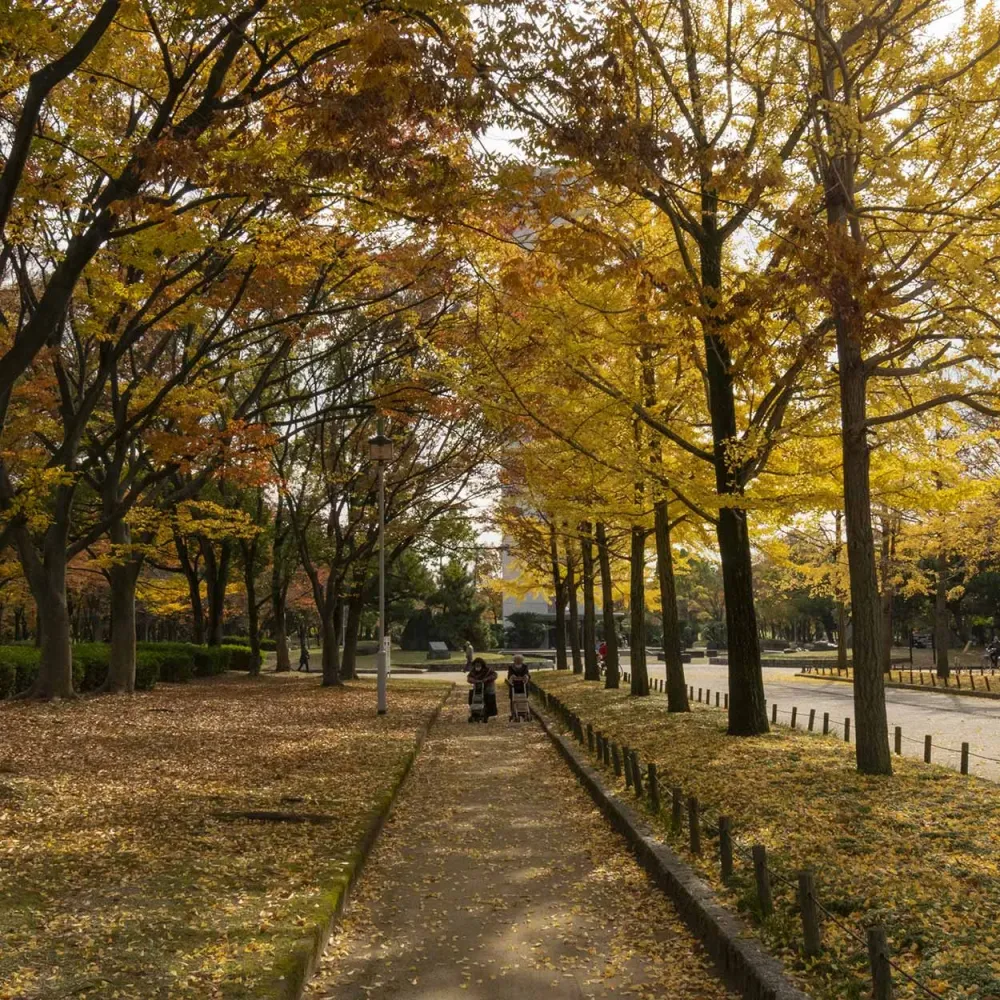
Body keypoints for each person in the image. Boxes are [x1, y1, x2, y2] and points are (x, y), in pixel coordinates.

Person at [467, 657, 498, 722]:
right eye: (476, 665)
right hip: (478, 688)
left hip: (488, 688)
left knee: (488, 698)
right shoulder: (473, 671)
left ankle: (487, 713)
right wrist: (474, 680)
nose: (477, 667)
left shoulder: (488, 670)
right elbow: (469, 678)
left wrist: (487, 679)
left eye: (479, 665)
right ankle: (474, 712)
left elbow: (495, 675)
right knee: (472, 697)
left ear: (482, 665)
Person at [506, 653, 530, 719]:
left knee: (523, 698)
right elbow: (509, 675)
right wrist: (512, 677)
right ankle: (513, 712)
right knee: (513, 699)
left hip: (523, 685)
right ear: (514, 661)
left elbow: (527, 674)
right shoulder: (511, 667)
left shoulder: (525, 666)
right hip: (514, 685)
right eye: (517, 660)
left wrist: (526, 677)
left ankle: (524, 711)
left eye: (519, 660)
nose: (518, 662)